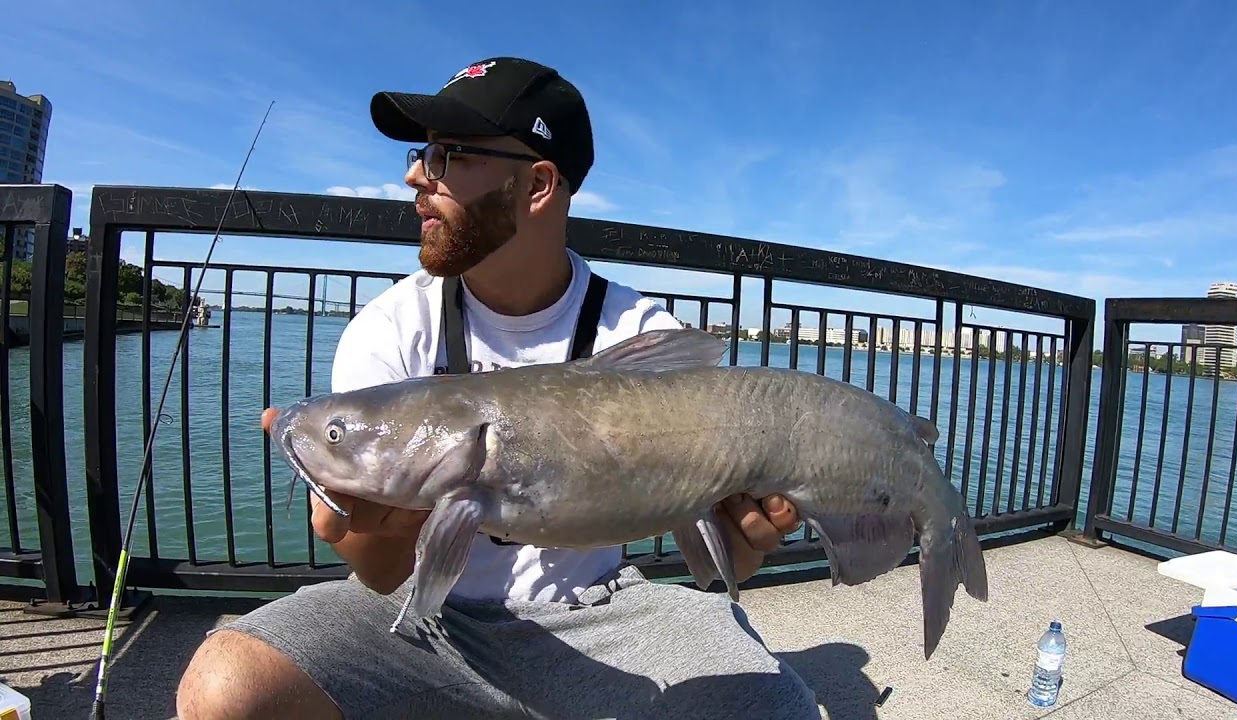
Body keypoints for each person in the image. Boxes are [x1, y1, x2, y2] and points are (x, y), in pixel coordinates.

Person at [176, 56, 821, 720]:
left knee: (776, 707)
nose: (414, 176)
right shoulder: (389, 329)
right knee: (225, 687)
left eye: (448, 155)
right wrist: (363, 522)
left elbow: (729, 563)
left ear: (538, 184)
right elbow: (377, 574)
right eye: (421, 153)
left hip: (603, 608)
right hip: (422, 620)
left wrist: (742, 537)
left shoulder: (638, 333)